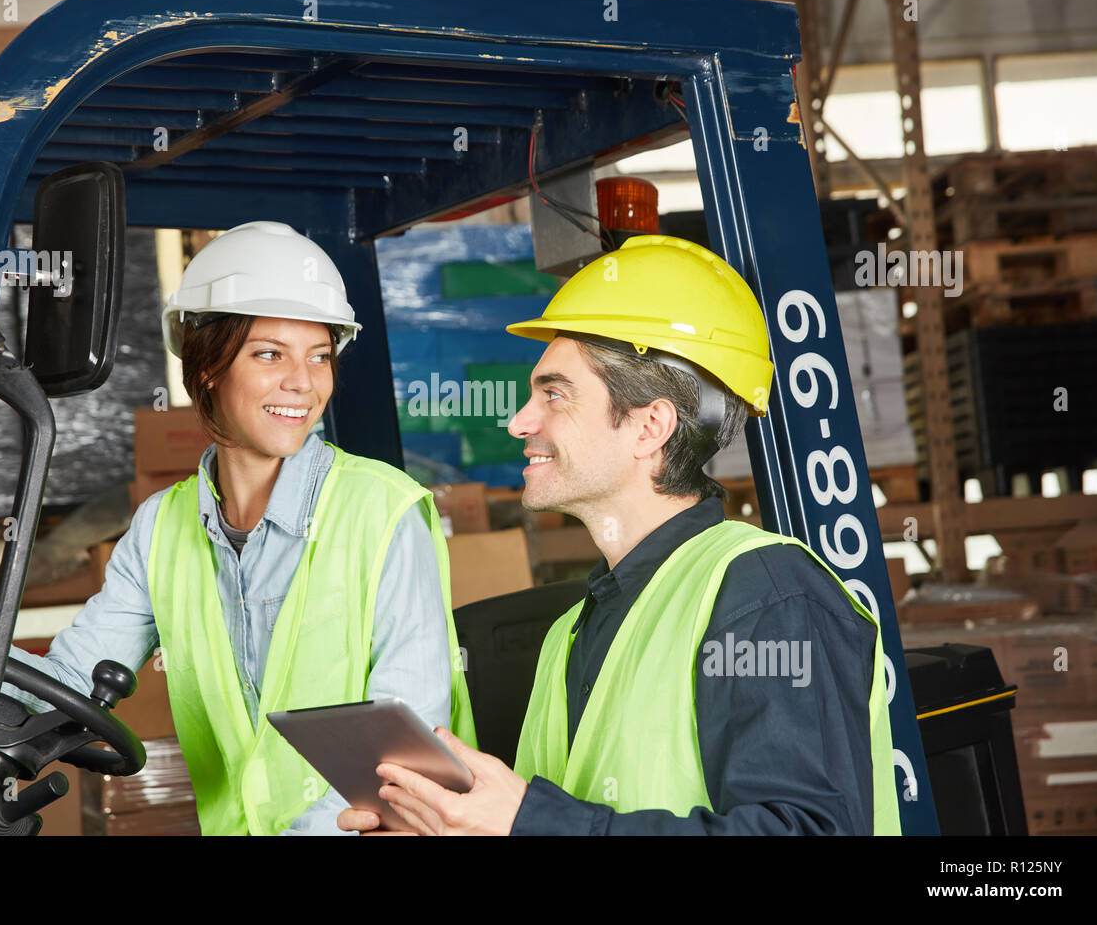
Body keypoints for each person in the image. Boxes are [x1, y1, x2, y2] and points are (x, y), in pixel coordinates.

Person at [337, 235, 900, 836]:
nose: (520, 421)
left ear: (649, 426)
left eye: (554, 394)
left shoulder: (767, 596)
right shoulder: (568, 635)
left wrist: (531, 821)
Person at [0, 220, 475, 835]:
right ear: (209, 364)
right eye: (269, 353)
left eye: (319, 356)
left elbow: (403, 759)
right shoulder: (161, 528)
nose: (303, 381)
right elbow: (66, 688)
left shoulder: (384, 510)